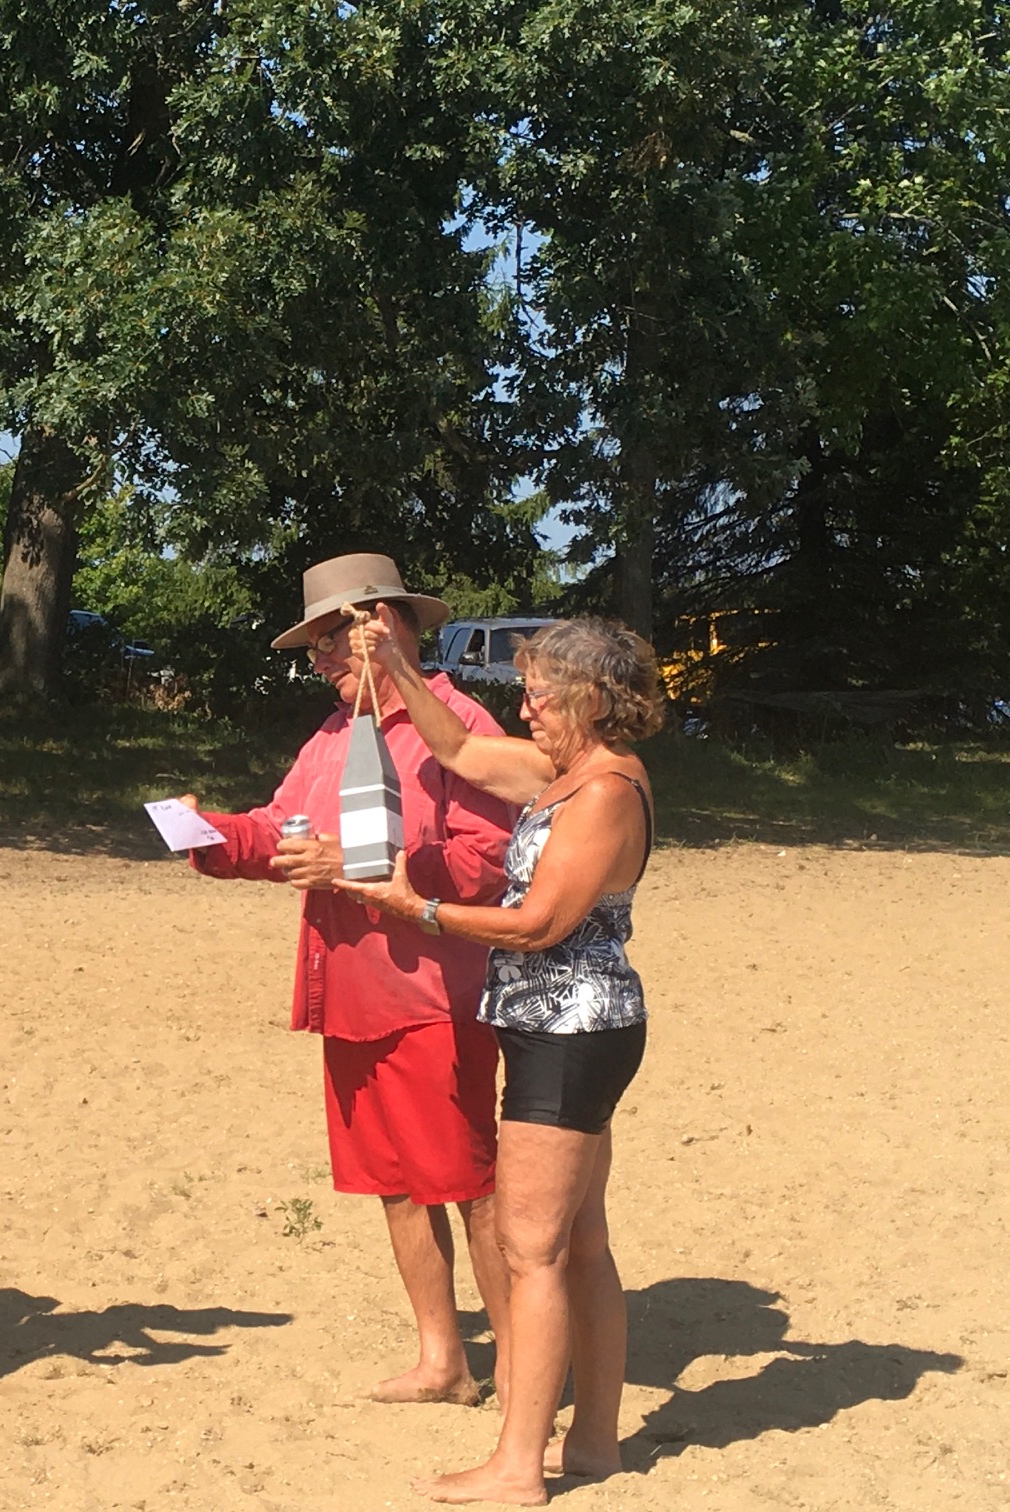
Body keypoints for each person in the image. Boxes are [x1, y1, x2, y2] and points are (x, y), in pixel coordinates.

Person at [335, 616, 663, 1507]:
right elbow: (463, 753)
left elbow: (539, 925)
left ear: (590, 701)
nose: (526, 711)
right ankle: (593, 1446)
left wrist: (420, 910)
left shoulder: (603, 794)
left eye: (539, 697)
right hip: (563, 1029)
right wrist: (397, 663)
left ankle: (519, 1466)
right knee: (581, 1243)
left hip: (570, 1033)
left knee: (532, 1252)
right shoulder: (568, 772)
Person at [181, 554, 518, 1407]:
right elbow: (278, 830)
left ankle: (520, 1367)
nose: (321, 660)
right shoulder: (334, 735)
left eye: (331, 639)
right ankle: (445, 1360)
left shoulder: (461, 725)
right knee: (397, 1185)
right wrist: (207, 836)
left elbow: (488, 863)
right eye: (316, 646)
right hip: (352, 993)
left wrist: (366, 864)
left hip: (430, 997)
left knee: (471, 1186)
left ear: (384, 623)